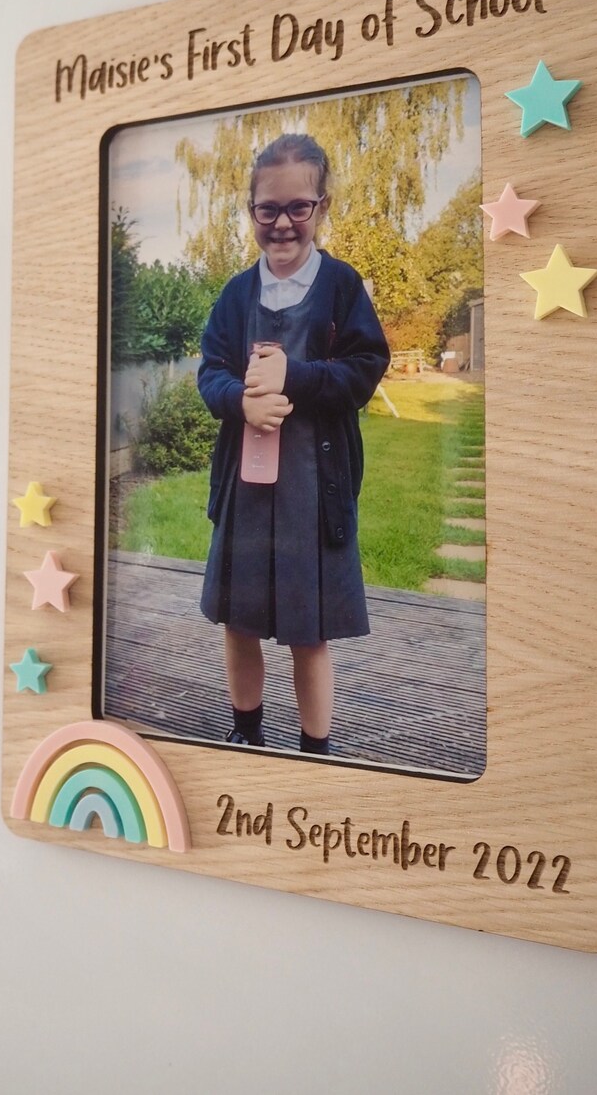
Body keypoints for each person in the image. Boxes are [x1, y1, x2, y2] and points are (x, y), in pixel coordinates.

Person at [197, 134, 389, 755]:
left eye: (298, 208)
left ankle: (315, 746)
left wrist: (296, 378)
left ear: (321, 207)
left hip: (314, 488)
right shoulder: (234, 295)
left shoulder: (341, 286)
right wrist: (240, 400)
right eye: (267, 210)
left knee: (310, 633)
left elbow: (365, 368)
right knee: (240, 621)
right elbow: (211, 372)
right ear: (251, 210)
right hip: (246, 493)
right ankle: (246, 730)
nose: (282, 224)